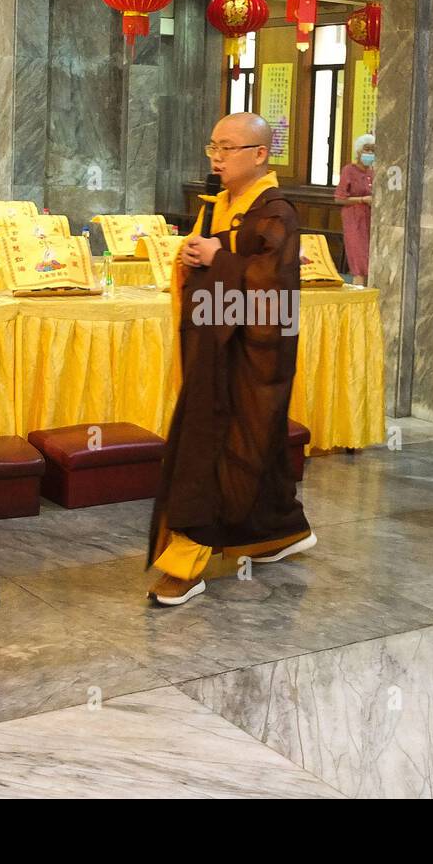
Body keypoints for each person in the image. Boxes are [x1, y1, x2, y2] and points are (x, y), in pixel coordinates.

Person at [146, 112, 315, 606]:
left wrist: (214, 259)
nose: (216, 157)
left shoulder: (276, 211)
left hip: (250, 356)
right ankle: (276, 531)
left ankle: (188, 557)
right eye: (213, 147)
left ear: (260, 155)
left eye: (228, 148)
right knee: (247, 449)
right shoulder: (219, 205)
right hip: (212, 344)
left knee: (217, 449)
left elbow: (273, 289)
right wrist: (196, 256)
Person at [335, 133, 374, 285]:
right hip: (353, 220)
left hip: (369, 220)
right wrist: (362, 200)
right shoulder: (349, 170)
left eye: (372, 150)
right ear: (358, 152)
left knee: (371, 260)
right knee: (359, 261)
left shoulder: (373, 172)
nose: (370, 154)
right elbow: (339, 198)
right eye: (367, 150)